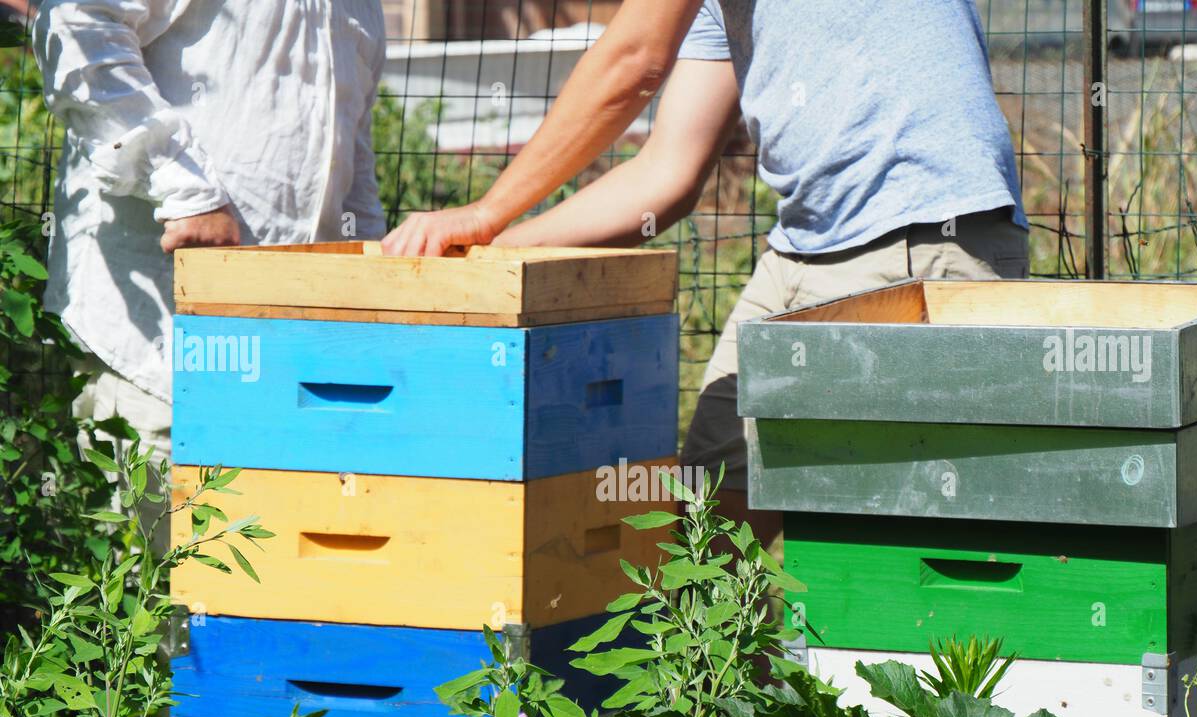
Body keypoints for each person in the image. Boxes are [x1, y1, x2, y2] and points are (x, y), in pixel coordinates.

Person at [383, 0, 1028, 542]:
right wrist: (495, 254)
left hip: (921, 239)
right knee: (707, 538)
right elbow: (668, 171)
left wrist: (488, 211)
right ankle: (733, 696)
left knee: (890, 570)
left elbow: (635, 61)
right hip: (807, 248)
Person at [35, 0, 388, 474]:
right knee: (154, 541)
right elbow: (77, 21)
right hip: (157, 349)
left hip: (293, 365)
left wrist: (372, 277)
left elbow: (348, 149)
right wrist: (186, 188)